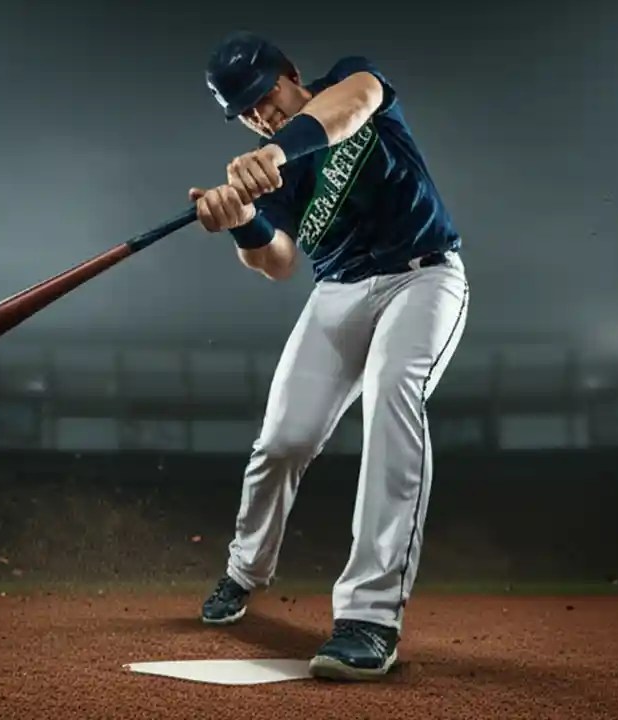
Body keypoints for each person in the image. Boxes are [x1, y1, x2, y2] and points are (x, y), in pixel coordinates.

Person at [191, 30, 470, 681]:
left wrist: (276, 154)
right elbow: (279, 263)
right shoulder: (272, 169)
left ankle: (370, 617)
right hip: (339, 293)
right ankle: (243, 571)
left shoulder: (350, 79)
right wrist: (242, 220)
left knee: (393, 397)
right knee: (282, 441)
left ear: (290, 74)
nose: (262, 115)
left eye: (265, 95)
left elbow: (352, 105)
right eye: (247, 113)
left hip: (424, 276)